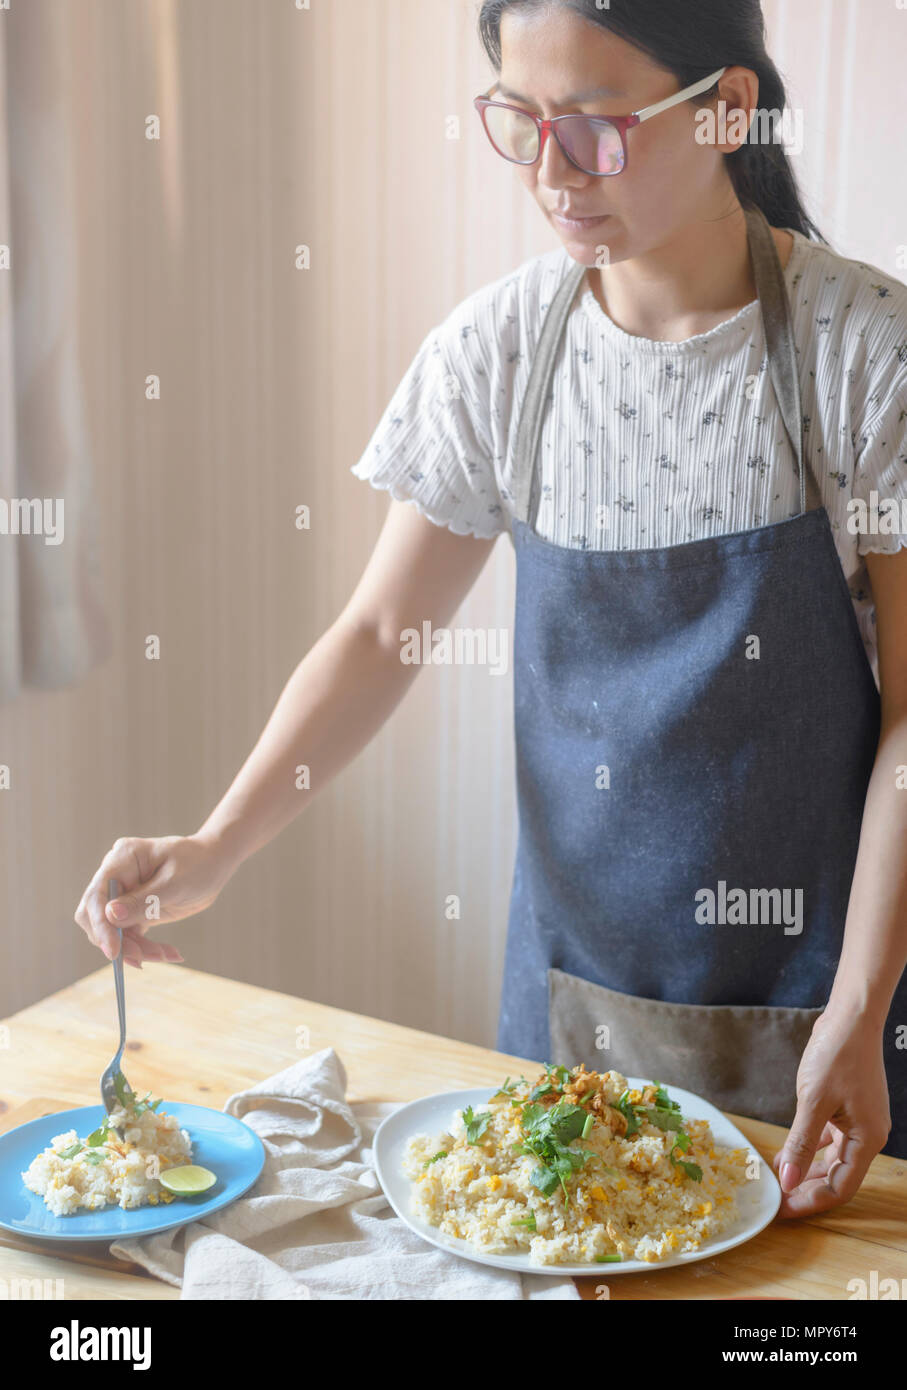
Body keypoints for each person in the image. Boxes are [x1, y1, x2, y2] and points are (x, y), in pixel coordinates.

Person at [76, 0, 907, 1217]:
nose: (552, 176)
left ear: (729, 107)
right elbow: (376, 635)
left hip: (831, 1019)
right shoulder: (503, 355)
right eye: (520, 123)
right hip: (566, 1018)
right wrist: (214, 845)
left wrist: (860, 1004)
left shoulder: (861, 354)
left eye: (597, 130)